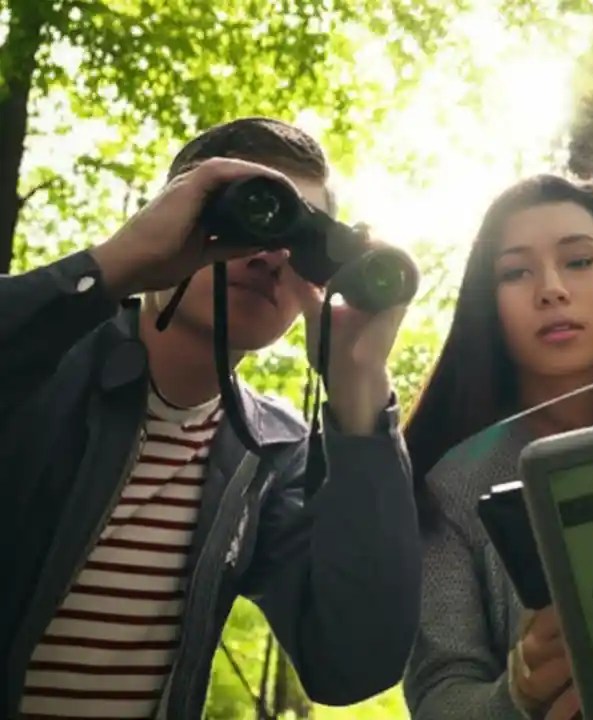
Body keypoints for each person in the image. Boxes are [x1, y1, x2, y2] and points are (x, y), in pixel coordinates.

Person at [0, 118, 423, 718]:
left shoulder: (272, 453)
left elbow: (354, 661)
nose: (271, 257)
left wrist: (360, 392)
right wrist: (115, 264)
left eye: (302, 241)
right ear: (170, 216)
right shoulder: (41, 360)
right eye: (252, 215)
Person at [400, 174, 593, 720]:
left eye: (579, 261)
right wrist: (519, 692)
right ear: (487, 306)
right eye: (516, 272)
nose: (551, 289)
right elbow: (439, 697)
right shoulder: (446, 490)